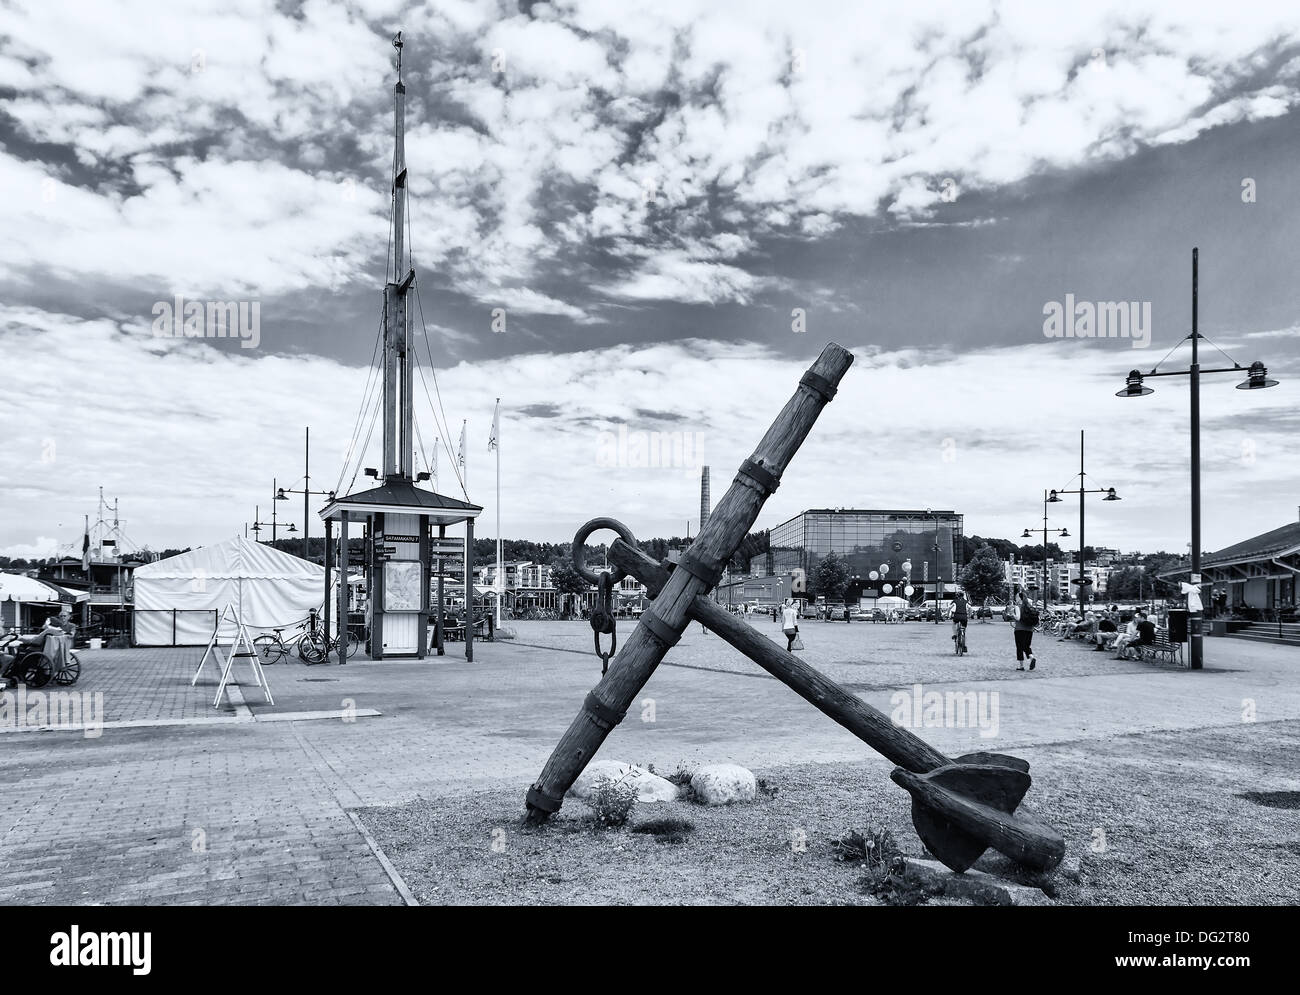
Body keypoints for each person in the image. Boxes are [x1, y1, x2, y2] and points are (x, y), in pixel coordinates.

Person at [1012, 584, 1038, 671]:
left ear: (1020, 598)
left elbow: (1018, 618)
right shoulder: (1029, 606)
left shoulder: (1017, 606)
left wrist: (1013, 614)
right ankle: (1031, 657)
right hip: (1029, 629)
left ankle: (1021, 666)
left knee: (1019, 647)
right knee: (1027, 646)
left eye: (1016, 597)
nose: (1015, 598)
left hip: (1019, 630)